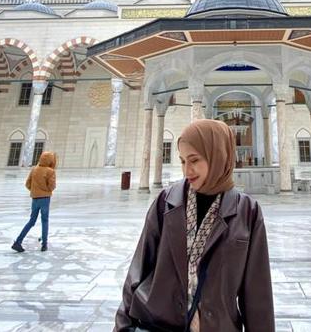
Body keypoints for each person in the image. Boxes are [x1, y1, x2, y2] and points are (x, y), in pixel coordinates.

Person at [114, 119, 275, 332]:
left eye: (194, 160)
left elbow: (257, 295)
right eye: (182, 161)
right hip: (161, 325)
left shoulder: (247, 212)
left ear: (217, 155)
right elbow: (138, 271)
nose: (187, 170)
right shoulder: (166, 203)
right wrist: (122, 327)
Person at [11, 150, 57, 253]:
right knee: (45, 221)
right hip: (45, 199)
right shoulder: (50, 171)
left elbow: (28, 184)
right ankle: (44, 244)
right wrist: (45, 190)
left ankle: (18, 242)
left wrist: (35, 191)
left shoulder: (34, 170)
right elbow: (52, 186)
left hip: (35, 198)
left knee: (31, 221)